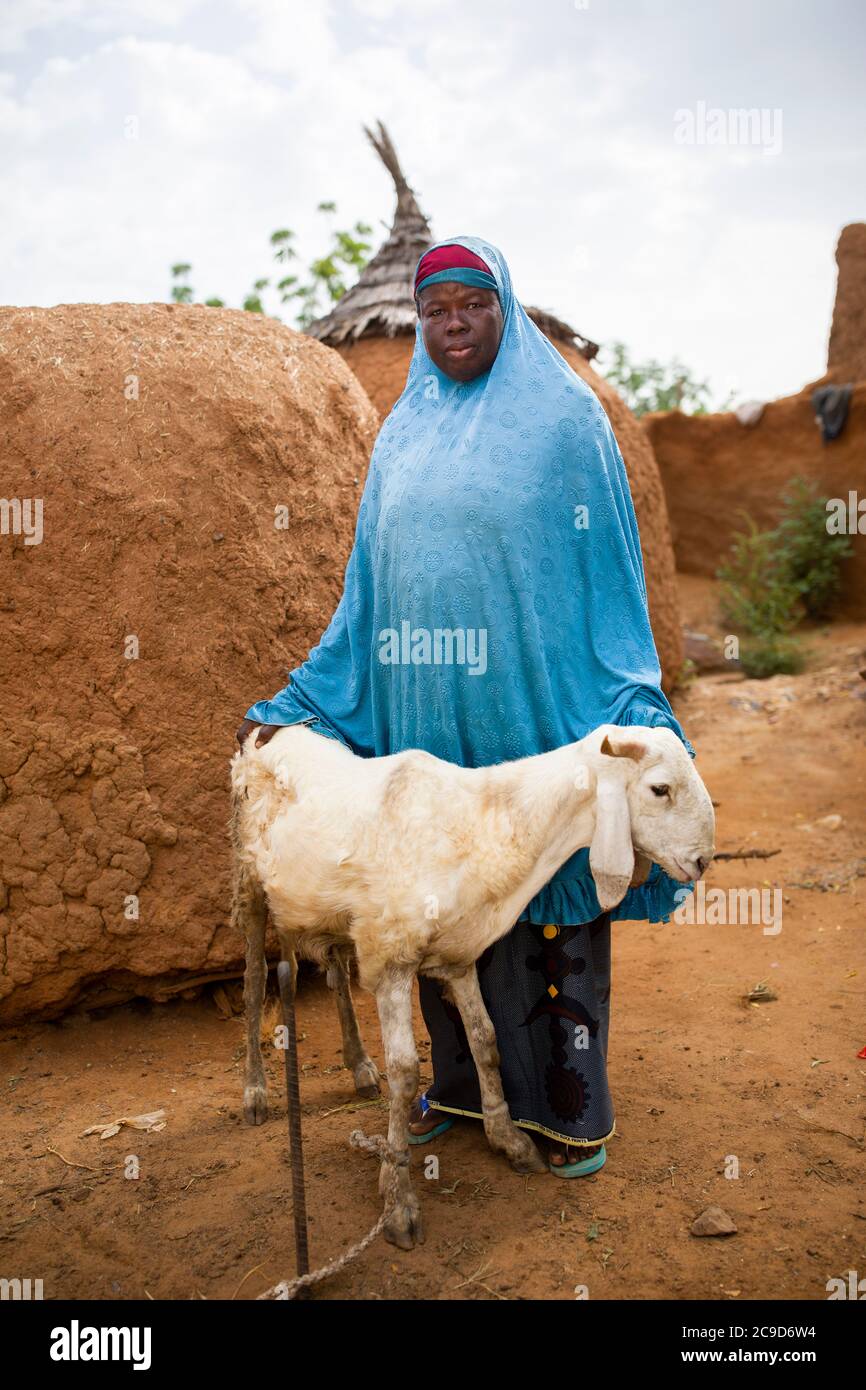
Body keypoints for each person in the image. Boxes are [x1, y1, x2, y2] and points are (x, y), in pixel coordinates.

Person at [237, 236, 695, 1177]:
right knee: (434, 904)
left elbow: (612, 577)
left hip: (536, 710)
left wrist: (628, 700)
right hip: (427, 716)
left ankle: (565, 1115)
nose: (452, 322)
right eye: (435, 307)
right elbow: (366, 597)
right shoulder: (404, 428)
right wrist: (301, 701)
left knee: (538, 902)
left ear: (505, 308)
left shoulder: (565, 421)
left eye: (471, 304)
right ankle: (454, 1093)